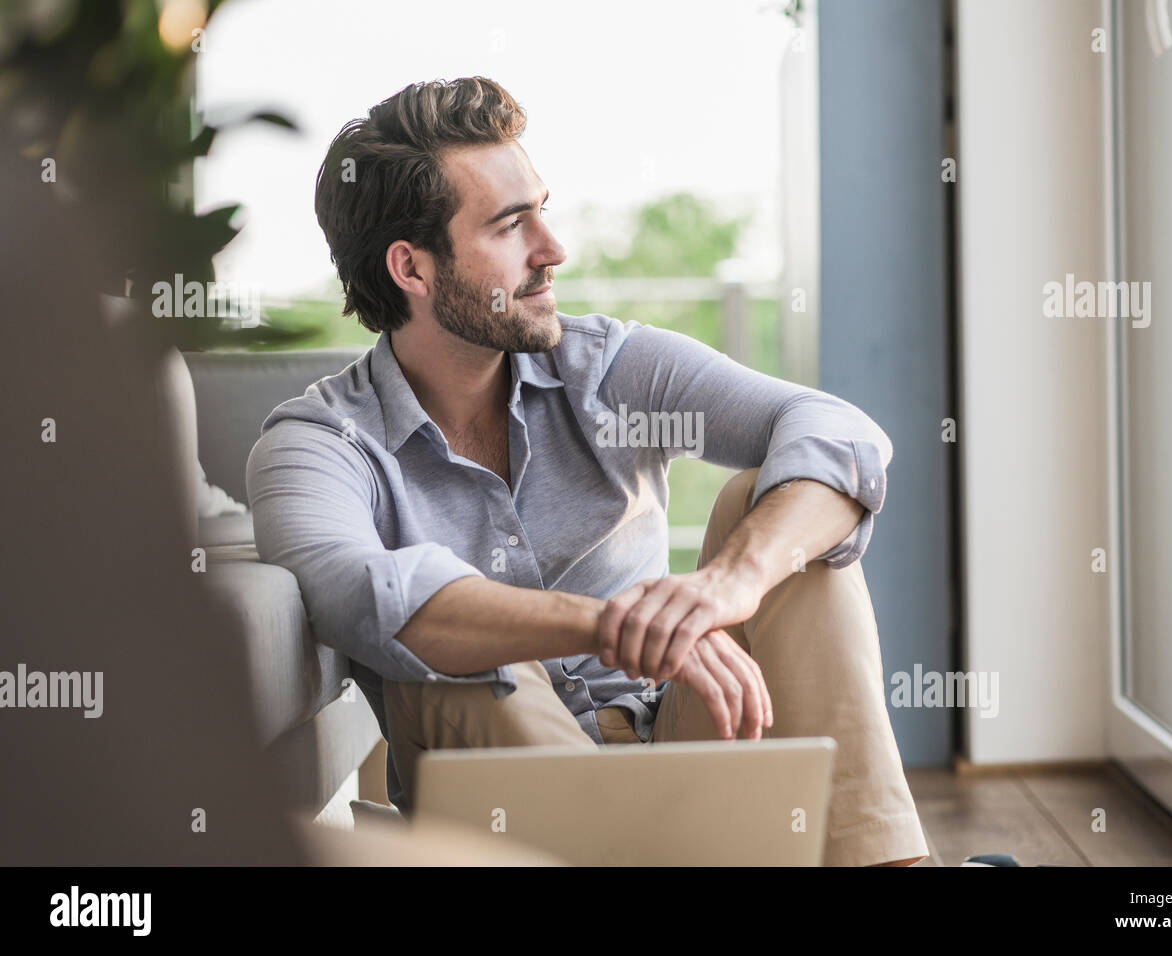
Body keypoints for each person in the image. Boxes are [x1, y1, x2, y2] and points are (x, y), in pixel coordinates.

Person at [246, 76, 927, 867]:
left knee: (770, 509)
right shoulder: (317, 443)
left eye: (543, 209)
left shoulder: (607, 369)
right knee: (456, 646)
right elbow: (364, 596)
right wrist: (603, 623)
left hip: (686, 748)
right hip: (513, 820)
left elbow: (840, 432)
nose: (552, 249)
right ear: (413, 268)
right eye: (510, 226)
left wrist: (732, 582)